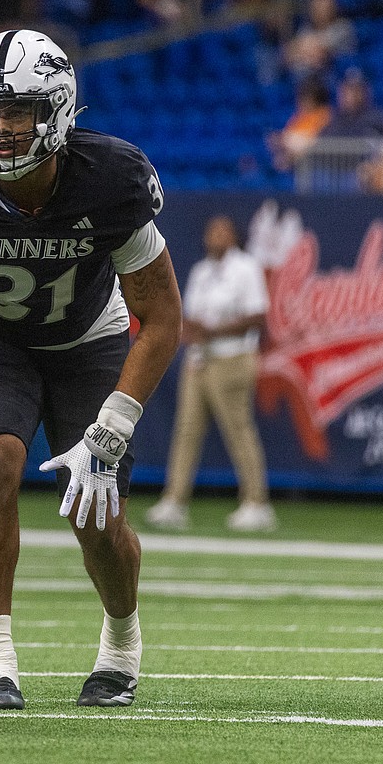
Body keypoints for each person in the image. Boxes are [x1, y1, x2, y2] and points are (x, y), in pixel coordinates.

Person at [0, 30, 181, 710]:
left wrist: (115, 422)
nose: (0, 126)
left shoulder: (110, 180)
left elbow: (162, 319)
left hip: (91, 336)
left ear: (58, 110)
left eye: (17, 111)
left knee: (95, 517)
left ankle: (121, 643)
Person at [144, 214, 276, 532]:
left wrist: (214, 331)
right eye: (211, 231)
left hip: (232, 357)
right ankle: (175, 500)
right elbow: (188, 317)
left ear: (234, 236)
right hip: (199, 359)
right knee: (186, 431)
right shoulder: (202, 270)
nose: (214, 236)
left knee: (238, 430)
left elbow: (258, 316)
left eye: (221, 230)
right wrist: (192, 334)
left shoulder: (245, 267)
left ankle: (257, 503)